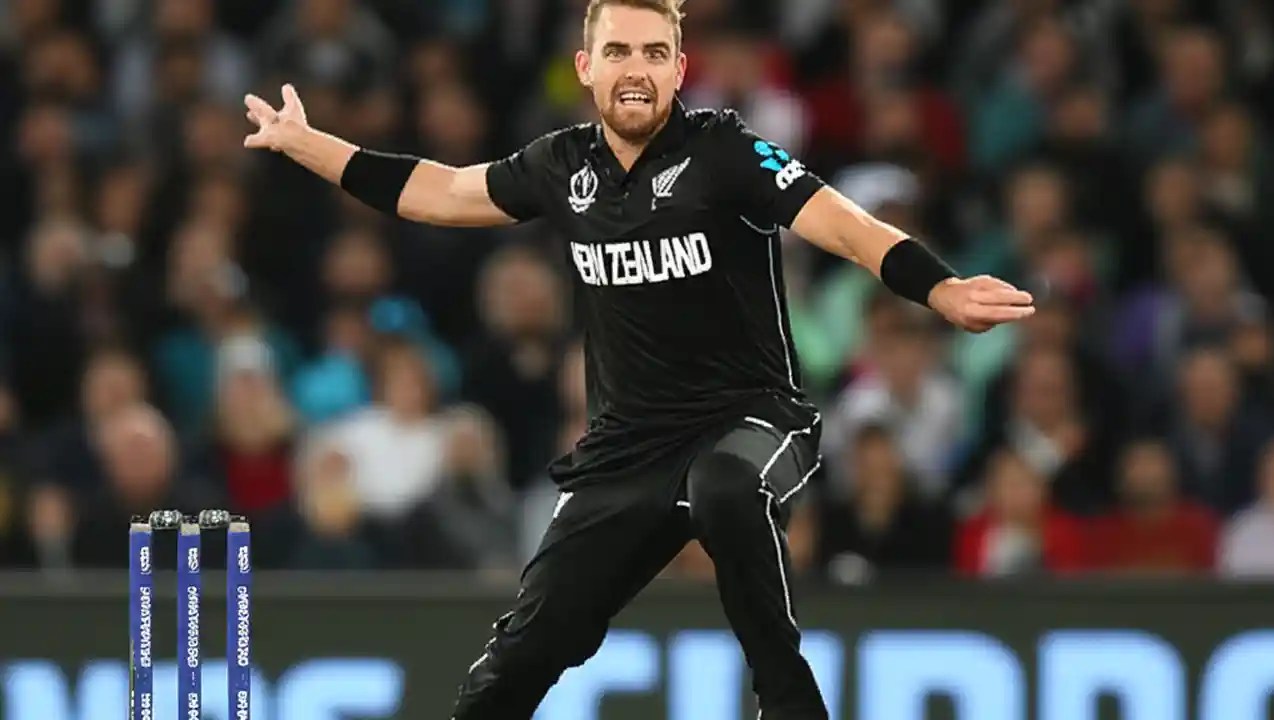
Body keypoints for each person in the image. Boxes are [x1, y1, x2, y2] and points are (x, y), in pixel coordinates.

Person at [241, 1, 1036, 717]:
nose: (636, 70)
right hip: (626, 452)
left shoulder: (724, 150)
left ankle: (789, 704)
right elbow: (443, 191)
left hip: (753, 418)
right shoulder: (561, 165)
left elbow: (843, 225)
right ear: (586, 68)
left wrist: (940, 289)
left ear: (679, 69)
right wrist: (312, 146)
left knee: (726, 487)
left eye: (656, 53)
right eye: (618, 51)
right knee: (505, 677)